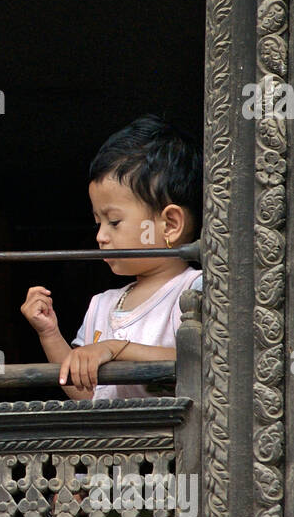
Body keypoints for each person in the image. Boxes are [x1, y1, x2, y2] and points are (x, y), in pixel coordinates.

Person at [21, 115, 203, 400]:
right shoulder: (101, 305)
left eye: (114, 222)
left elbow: (206, 362)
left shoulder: (193, 289)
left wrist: (115, 348)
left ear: (170, 224)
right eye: (98, 223)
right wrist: (50, 334)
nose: (100, 236)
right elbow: (84, 394)